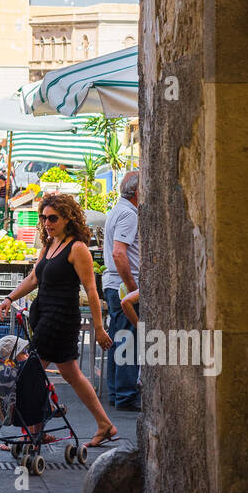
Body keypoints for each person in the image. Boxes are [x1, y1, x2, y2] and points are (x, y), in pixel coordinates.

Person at [0, 193, 115, 448]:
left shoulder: (77, 248)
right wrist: (9, 297)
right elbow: (33, 279)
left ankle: (33, 434)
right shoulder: (49, 246)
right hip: (44, 315)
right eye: (44, 217)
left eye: (53, 218)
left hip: (60, 319)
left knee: (31, 371)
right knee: (71, 374)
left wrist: (98, 327)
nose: (47, 222)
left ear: (68, 218)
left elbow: (92, 290)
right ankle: (105, 425)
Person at [102, 170, 141, 411]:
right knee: (127, 340)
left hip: (115, 284)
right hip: (122, 285)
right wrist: (133, 288)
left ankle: (118, 393)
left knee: (120, 338)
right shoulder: (128, 213)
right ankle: (125, 395)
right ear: (137, 192)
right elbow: (119, 253)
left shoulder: (119, 210)